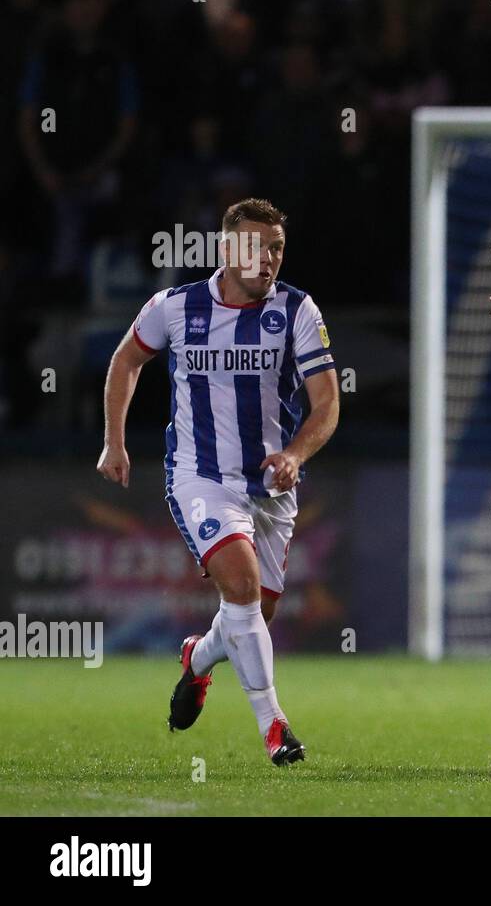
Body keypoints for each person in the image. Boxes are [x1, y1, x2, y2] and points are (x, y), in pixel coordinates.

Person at [97, 198, 340, 766]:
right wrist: (115, 439)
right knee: (242, 586)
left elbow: (327, 402)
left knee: (255, 613)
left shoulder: (297, 311)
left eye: (277, 247)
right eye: (257, 247)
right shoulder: (174, 307)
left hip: (272, 486)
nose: (269, 259)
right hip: (200, 476)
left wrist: (296, 453)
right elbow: (126, 361)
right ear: (227, 250)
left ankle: (198, 659)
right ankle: (274, 727)